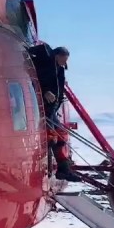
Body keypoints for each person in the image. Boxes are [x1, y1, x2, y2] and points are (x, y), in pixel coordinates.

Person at [29, 44, 78, 181]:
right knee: (52, 137)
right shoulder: (47, 66)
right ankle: (55, 169)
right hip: (44, 108)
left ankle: (63, 169)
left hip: (51, 109)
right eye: (64, 59)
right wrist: (44, 91)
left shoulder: (57, 68)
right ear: (57, 56)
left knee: (60, 135)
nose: (65, 62)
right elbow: (36, 79)